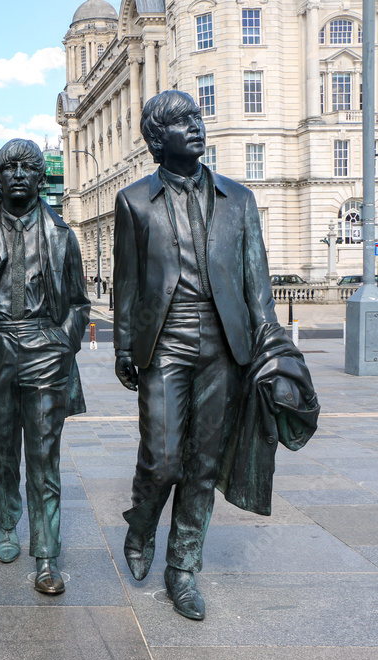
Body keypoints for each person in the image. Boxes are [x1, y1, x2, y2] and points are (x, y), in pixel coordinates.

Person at [113, 90, 277, 621]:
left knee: (204, 463)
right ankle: (141, 522)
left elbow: (258, 283)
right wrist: (121, 345)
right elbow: (128, 282)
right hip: (165, 340)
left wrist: (269, 344)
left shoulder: (240, 200)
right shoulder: (134, 201)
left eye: (197, 117)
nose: (197, 126)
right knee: (162, 458)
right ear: (158, 140)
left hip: (226, 344)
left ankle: (183, 567)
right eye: (182, 121)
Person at [0, 139, 90, 595]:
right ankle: (7, 520)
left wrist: (62, 341)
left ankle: (46, 553)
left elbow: (78, 303)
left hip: (44, 348)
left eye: (26, 167)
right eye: (7, 167)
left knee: (44, 457)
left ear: (40, 178)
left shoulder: (62, 235)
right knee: (1, 448)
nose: (15, 174)